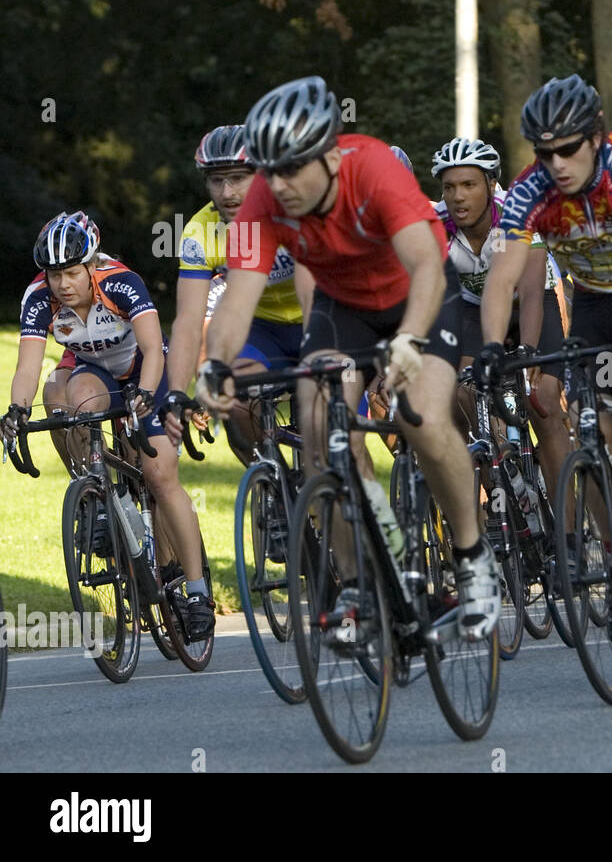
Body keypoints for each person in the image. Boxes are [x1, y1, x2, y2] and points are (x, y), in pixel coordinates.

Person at [196, 75, 499, 640]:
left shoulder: (374, 168)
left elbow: (428, 267)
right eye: (269, 170)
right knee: (318, 434)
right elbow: (236, 299)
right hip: (344, 307)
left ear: (330, 155)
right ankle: (361, 583)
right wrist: (215, 365)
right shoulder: (264, 201)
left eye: (291, 168)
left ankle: (473, 557)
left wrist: (409, 340)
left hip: (420, 294)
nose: (278, 184)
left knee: (423, 418)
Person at [476, 75, 612, 560]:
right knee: (590, 436)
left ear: (596, 137)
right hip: (594, 302)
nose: (556, 163)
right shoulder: (529, 189)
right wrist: (493, 345)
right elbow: (502, 277)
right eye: (544, 152)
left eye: (568, 149)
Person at [5, 212, 213, 639]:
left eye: (71, 273)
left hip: (145, 371)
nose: (62, 283)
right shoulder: (39, 297)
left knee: (159, 475)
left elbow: (155, 348)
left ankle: (197, 592)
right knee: (73, 396)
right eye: (54, 274)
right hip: (94, 372)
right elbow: (28, 364)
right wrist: (16, 410)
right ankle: (99, 494)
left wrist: (145, 394)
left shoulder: (121, 283)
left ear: (91, 264)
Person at [432, 135, 569, 497]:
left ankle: (569, 538)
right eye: (449, 187)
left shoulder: (516, 212)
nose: (458, 196)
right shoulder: (435, 224)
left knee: (542, 402)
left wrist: (527, 351)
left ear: (491, 184)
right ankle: (503, 477)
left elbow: (531, 294)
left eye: (469, 185)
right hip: (474, 310)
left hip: (529, 303)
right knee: (462, 390)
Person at [165, 124, 310, 464]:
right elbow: (188, 320)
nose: (227, 192)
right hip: (261, 329)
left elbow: (315, 294)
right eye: (217, 180)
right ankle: (272, 483)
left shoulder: (294, 211)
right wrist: (175, 393)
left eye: (237, 178)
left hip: (315, 318)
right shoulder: (200, 231)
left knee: (325, 426)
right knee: (236, 397)